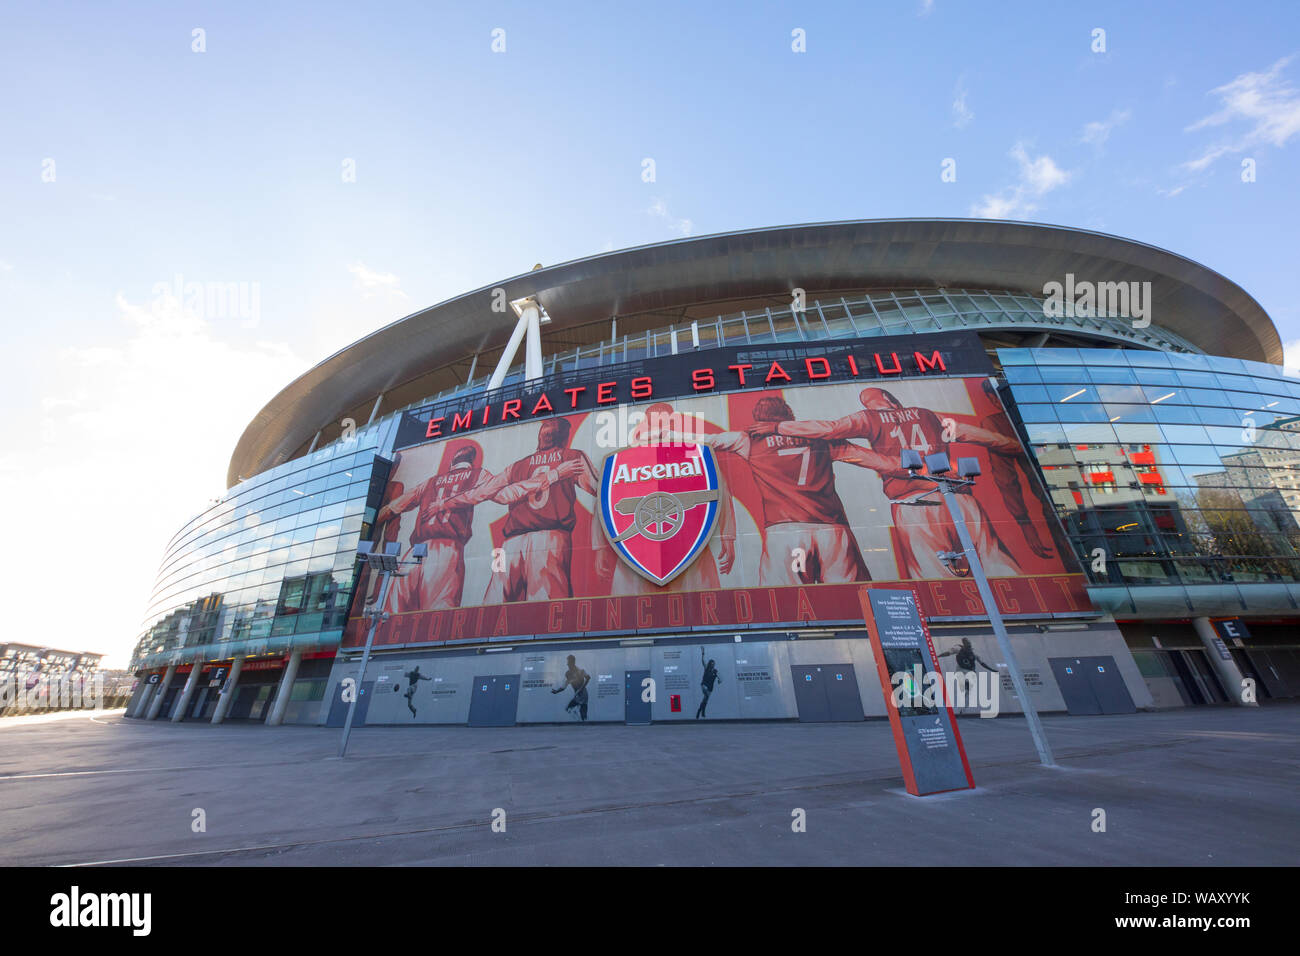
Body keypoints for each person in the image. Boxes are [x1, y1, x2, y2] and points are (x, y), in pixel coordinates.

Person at [749, 387, 1024, 580]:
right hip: (958, 497)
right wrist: (1018, 446)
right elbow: (978, 435)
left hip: (912, 505)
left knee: (931, 571)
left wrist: (777, 428)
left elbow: (829, 429)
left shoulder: (869, 418)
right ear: (893, 400)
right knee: (994, 559)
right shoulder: (927, 414)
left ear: (870, 404)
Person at [650, 394, 908, 585]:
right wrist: (919, 465)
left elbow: (707, 441)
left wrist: (667, 434)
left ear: (758, 419)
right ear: (790, 416)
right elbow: (880, 462)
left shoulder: (747, 439)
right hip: (833, 529)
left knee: (786, 605)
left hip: (783, 532)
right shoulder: (824, 440)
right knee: (855, 603)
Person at [442, 418, 614, 603]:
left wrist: (447, 503)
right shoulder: (571, 457)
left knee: (495, 602)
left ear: (539, 437)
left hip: (510, 543)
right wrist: (602, 545)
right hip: (549, 539)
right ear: (564, 438)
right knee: (546, 608)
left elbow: (489, 493)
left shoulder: (517, 466)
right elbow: (604, 492)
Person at [609, 401, 737, 595]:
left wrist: (729, 535)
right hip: (678, 546)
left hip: (669, 547)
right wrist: (728, 535)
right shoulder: (691, 447)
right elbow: (720, 486)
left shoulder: (631, 454)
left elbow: (719, 488)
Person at [551, 654, 591, 721]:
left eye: (568, 662)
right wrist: (556, 691)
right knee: (568, 709)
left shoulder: (581, 671)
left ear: (573, 662)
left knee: (583, 713)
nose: (567, 664)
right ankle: (580, 720)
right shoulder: (568, 673)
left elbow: (588, 678)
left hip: (583, 695)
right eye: (567, 662)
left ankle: (583, 721)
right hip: (577, 695)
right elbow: (564, 686)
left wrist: (581, 688)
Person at [697, 647, 722, 719]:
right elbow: (703, 660)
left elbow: (720, 679)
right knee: (706, 697)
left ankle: (700, 710)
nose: (712, 665)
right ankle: (701, 712)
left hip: (710, 688)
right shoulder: (706, 668)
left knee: (705, 700)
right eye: (711, 664)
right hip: (704, 685)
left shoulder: (715, 671)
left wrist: (719, 681)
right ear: (709, 664)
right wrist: (703, 653)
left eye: (713, 664)